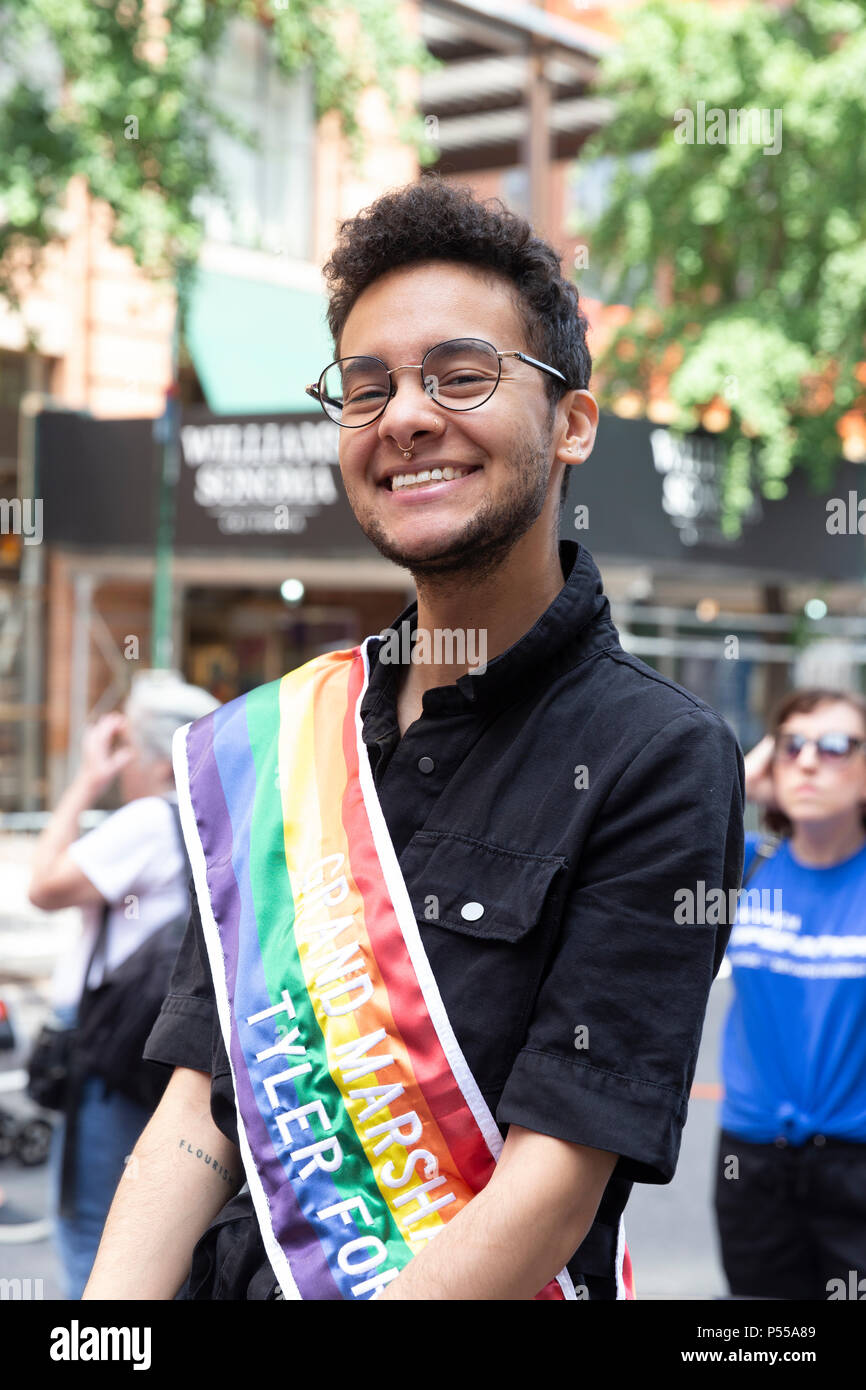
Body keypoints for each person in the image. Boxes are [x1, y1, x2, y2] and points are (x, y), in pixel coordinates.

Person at [84, 174, 744, 1302]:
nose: (403, 417)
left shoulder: (659, 758)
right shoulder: (270, 741)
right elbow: (201, 1109)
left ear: (570, 422)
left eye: (460, 374)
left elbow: (554, 1180)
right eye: (366, 384)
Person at [27, 670, 220, 1298]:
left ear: (152, 755)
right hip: (170, 1052)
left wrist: (87, 780)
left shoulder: (148, 820)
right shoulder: (210, 820)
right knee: (156, 1232)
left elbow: (44, 885)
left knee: (93, 1232)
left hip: (106, 1058)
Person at [714, 687, 866, 1301]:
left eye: (835, 747)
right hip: (753, 1161)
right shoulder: (745, 867)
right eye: (792, 746)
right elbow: (690, 814)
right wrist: (755, 768)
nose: (807, 762)